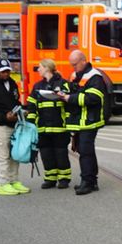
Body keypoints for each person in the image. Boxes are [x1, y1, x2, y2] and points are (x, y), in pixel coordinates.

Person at [60, 50, 107, 194]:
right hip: (79, 120)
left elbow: (92, 99)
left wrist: (69, 98)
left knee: (86, 151)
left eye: (75, 64)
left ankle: (87, 182)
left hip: (90, 120)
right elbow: (72, 91)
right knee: (84, 150)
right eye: (71, 65)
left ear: (83, 60)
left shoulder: (95, 77)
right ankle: (92, 181)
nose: (73, 67)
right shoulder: (76, 75)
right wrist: (62, 93)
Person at [0, 58, 29, 196]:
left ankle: (14, 180)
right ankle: (3, 184)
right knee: (3, 156)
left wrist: (21, 111)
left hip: (14, 124)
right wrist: (4, 117)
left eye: (8, 71)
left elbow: (16, 101)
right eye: (3, 72)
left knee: (14, 155)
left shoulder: (13, 83)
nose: (6, 74)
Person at [25, 59, 71, 189]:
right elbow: (32, 106)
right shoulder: (37, 86)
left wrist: (68, 123)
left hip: (59, 127)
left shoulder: (63, 84)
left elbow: (70, 103)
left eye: (39, 67)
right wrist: (31, 124)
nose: (38, 69)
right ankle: (50, 178)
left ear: (47, 68)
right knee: (46, 153)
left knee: (61, 153)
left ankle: (64, 178)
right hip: (43, 127)